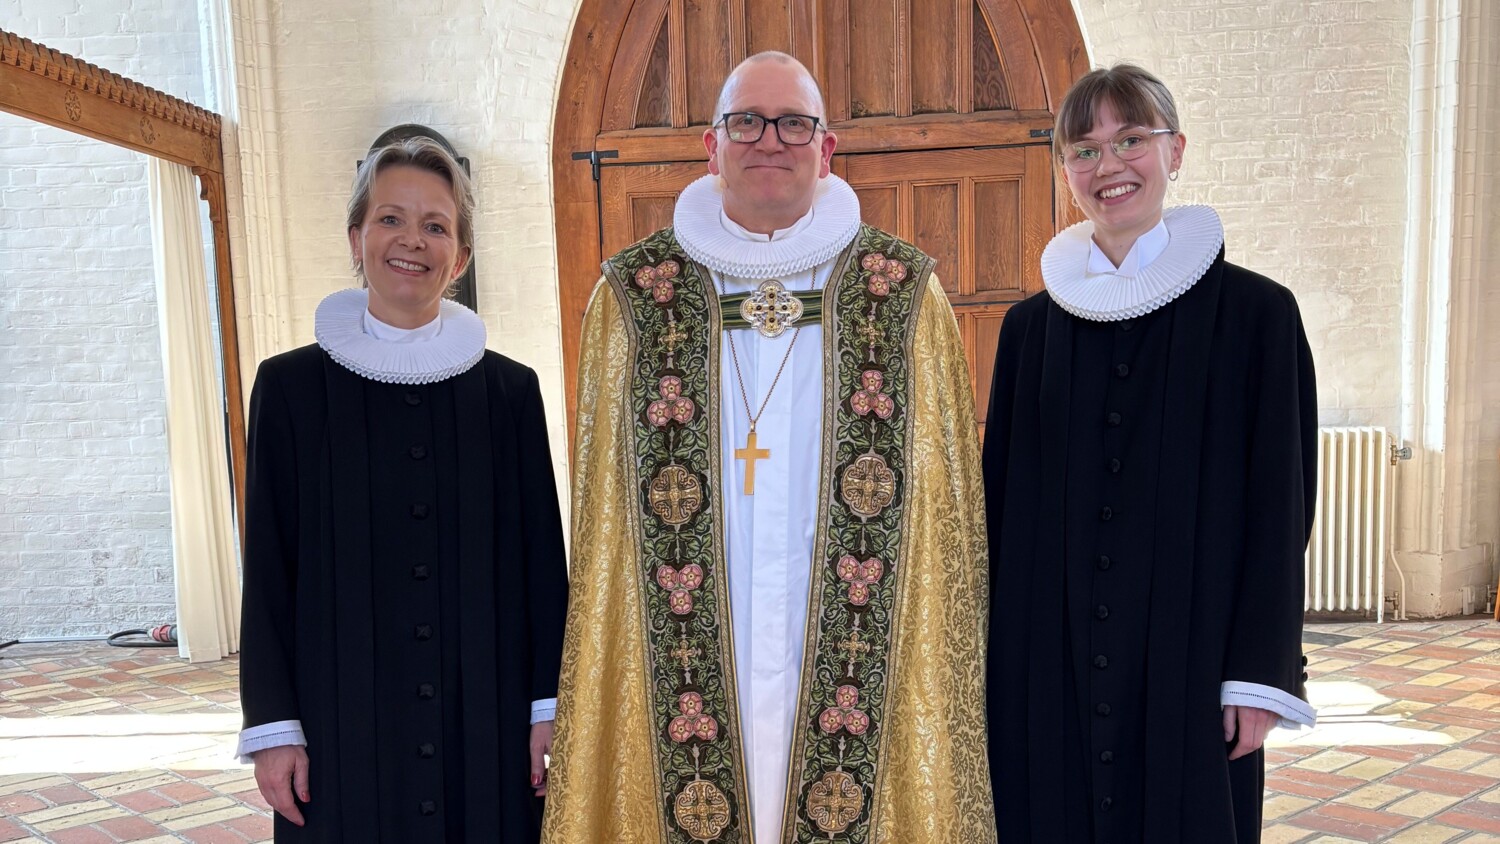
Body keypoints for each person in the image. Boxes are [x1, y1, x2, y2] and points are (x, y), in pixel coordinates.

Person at [542, 52, 994, 843]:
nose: (769, 140)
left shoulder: (902, 296)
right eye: (746, 121)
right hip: (688, 656)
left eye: (793, 123)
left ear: (827, 148)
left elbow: (944, 534)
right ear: (712, 146)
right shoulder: (634, 299)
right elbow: (606, 536)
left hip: (850, 658)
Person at [983, 64, 1317, 843]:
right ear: (1065, 170)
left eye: (1131, 139)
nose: (1109, 165)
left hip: (1195, 657)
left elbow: (1281, 507)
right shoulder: (1029, 331)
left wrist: (1261, 673)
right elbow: (1000, 510)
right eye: (1084, 149)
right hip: (1050, 660)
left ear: (1176, 151)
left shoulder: (1258, 315)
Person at [237, 137, 569, 842]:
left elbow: (543, 565)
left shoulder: (510, 392)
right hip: (339, 717)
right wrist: (272, 727)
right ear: (355, 238)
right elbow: (267, 568)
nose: (412, 240)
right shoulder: (289, 388)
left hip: (486, 714)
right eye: (390, 219)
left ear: (461, 256)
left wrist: (548, 710)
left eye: (436, 225)